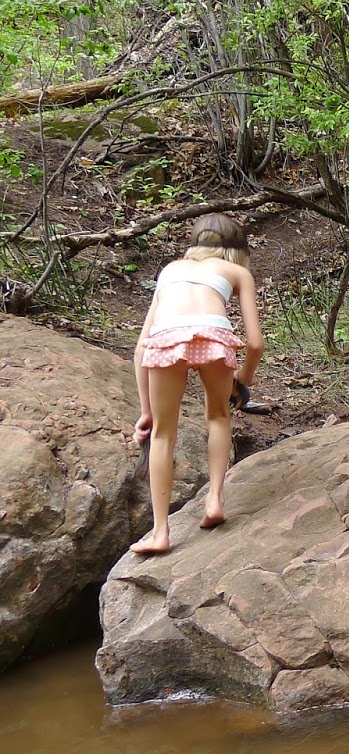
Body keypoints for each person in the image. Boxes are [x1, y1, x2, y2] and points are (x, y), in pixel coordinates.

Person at [130, 214, 264, 554]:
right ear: (237, 250)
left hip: (166, 337)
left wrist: (146, 411)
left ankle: (160, 533)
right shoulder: (238, 272)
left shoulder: (171, 270)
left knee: (162, 432)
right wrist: (242, 380)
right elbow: (255, 343)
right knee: (218, 415)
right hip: (213, 333)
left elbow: (142, 345)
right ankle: (215, 500)